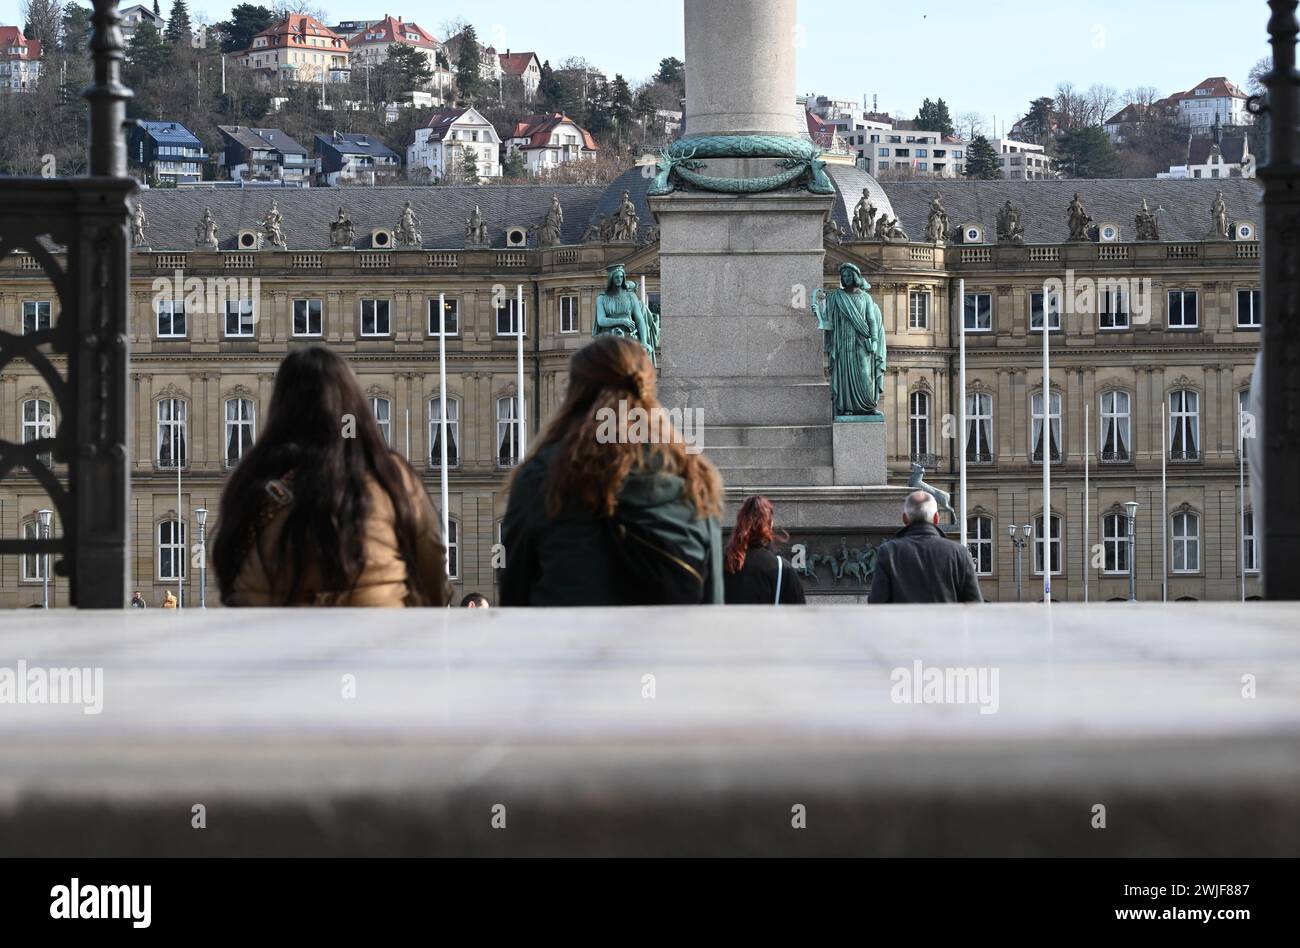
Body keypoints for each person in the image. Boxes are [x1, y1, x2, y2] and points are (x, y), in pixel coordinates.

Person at [212, 346, 452, 608]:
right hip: (377, 640)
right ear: (353, 405)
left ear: (279, 408)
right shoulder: (389, 476)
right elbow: (434, 580)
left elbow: (228, 575)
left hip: (272, 642)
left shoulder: (251, 479)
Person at [500, 336, 724, 606]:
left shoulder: (538, 478)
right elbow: (712, 607)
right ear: (648, 391)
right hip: (668, 645)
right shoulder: (694, 478)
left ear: (575, 394)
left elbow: (514, 600)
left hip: (566, 644)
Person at [870, 491, 983, 604]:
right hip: (947, 621)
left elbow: (877, 603)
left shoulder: (888, 552)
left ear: (905, 518)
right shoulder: (959, 553)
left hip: (903, 621)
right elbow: (975, 604)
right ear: (936, 518)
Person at [723, 495, 806, 605]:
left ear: (739, 523)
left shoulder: (723, 563)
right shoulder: (782, 568)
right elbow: (800, 614)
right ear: (770, 525)